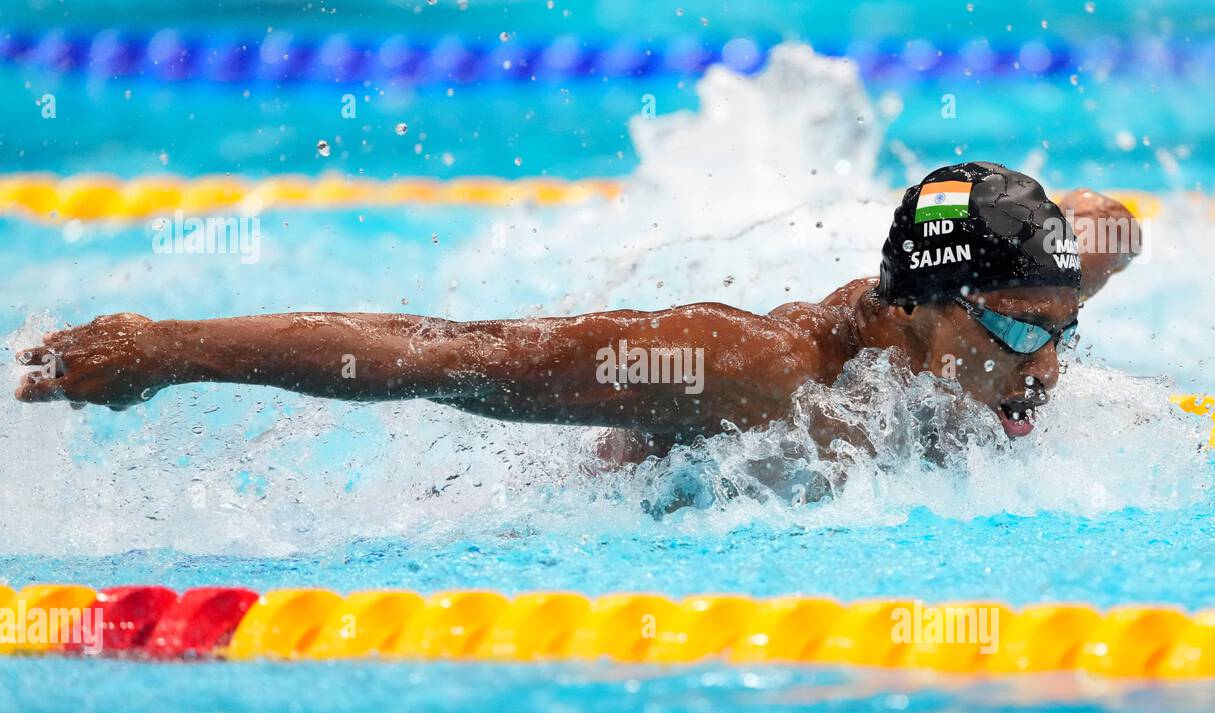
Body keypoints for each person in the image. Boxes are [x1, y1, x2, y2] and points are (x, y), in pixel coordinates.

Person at [14, 162, 1140, 462]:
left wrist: (1092, 240)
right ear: (914, 309)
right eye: (1019, 333)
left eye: (1062, 330)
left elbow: (1103, 238)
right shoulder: (743, 368)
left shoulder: (1008, 305)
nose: (1047, 367)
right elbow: (442, 354)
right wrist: (166, 347)